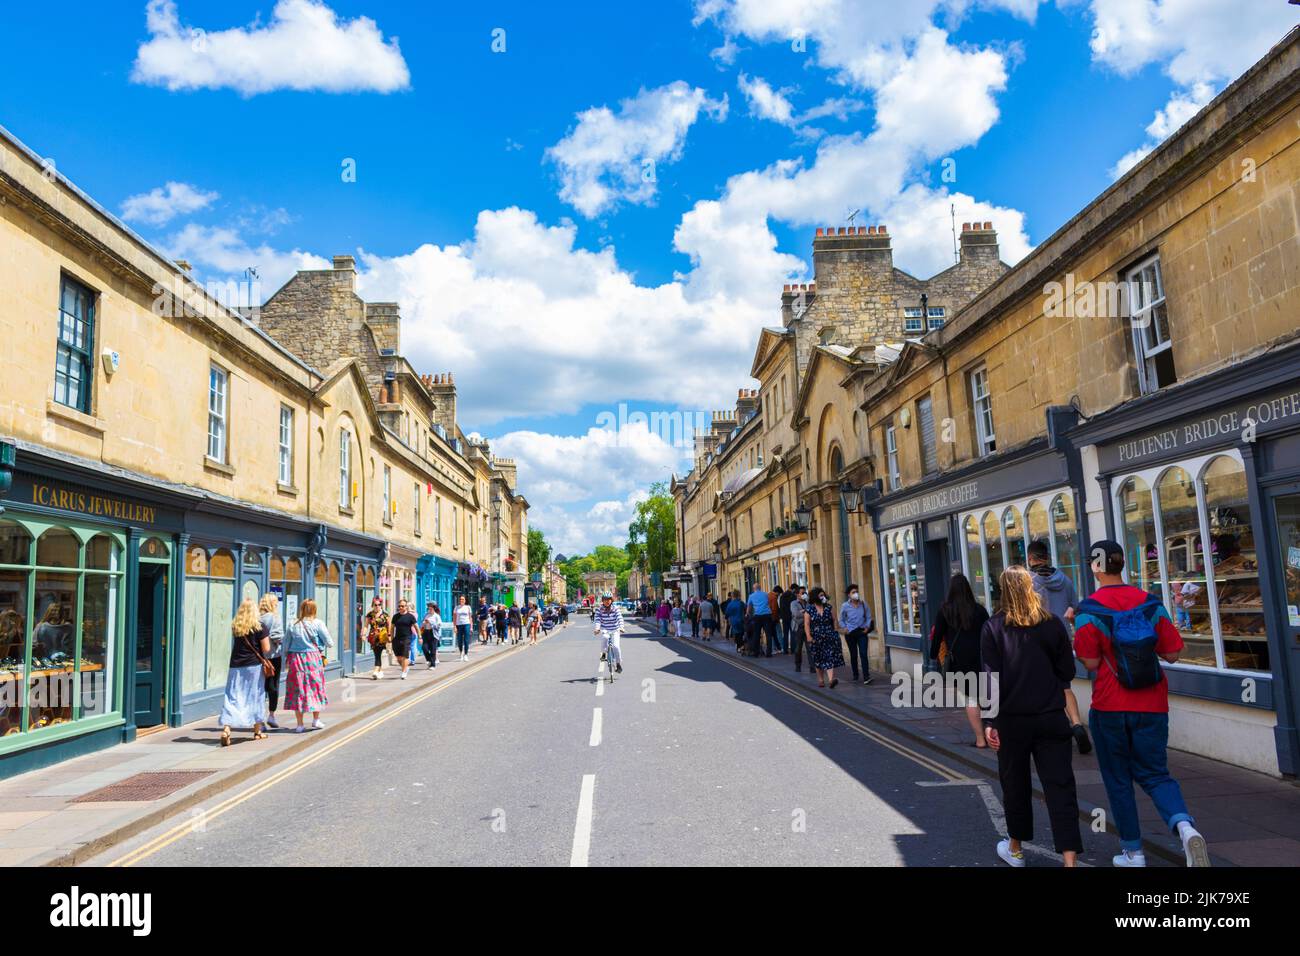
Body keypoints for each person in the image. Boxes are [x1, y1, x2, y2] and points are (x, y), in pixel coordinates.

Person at [1074, 539, 1209, 868]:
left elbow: (1090, 663)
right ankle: (1184, 826)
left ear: (1095, 566)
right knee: (1156, 773)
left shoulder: (1087, 610)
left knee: (1118, 778)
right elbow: (1173, 653)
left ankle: (1133, 852)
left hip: (1109, 706)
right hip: (1152, 704)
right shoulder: (1151, 603)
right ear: (1121, 564)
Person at [981, 566, 1083, 868]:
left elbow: (990, 679)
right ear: (1031, 588)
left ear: (1003, 590)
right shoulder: (1052, 625)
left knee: (1015, 785)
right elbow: (1067, 672)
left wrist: (990, 723)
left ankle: (1015, 850)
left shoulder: (993, 627)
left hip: (1012, 721)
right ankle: (1069, 861)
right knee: (1061, 786)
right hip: (1051, 716)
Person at [1027, 539, 1092, 754]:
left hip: (1036, 640)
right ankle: (1075, 723)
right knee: (1064, 686)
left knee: (1037, 686)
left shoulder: (1028, 581)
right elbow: (1075, 607)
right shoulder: (1064, 579)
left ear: (1030, 558)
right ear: (1047, 556)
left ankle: (1049, 731)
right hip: (1062, 638)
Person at [930, 574, 991, 747]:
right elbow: (989, 632)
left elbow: (937, 636)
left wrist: (933, 655)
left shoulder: (945, 610)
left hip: (959, 661)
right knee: (986, 697)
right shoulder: (979, 609)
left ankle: (980, 739)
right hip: (981, 658)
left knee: (970, 699)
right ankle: (991, 731)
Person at [218, 598, 271, 746]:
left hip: (235, 665)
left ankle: (227, 729)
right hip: (253, 666)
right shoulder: (261, 627)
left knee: (233, 696)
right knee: (255, 695)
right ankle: (257, 732)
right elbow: (266, 649)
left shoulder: (236, 626)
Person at [284, 598, 332, 732]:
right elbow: (330, 642)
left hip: (296, 660)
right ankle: (316, 720)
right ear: (314, 610)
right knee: (315, 688)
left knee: (297, 690)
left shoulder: (292, 624)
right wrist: (320, 645)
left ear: (302, 609)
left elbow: (285, 645)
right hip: (313, 659)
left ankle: (299, 725)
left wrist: (284, 662)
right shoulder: (318, 623)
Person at [804, 587, 843, 688]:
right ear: (815, 597)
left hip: (829, 636)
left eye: (823, 595)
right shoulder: (809, 610)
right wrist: (808, 636)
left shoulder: (829, 608)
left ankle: (831, 680)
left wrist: (835, 630)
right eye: (821, 595)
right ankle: (821, 679)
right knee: (818, 659)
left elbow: (834, 620)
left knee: (829, 657)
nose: (823, 597)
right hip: (815, 638)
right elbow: (807, 624)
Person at [257, 594, 285, 729]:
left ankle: (259, 720)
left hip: (259, 658)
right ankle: (272, 715)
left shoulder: (256, 618)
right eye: (275, 602)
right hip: (273, 657)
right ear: (272, 604)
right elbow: (277, 636)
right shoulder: (275, 618)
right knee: (273, 687)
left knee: (260, 688)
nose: (277, 605)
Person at [838, 584, 874, 684]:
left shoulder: (863, 604)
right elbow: (841, 619)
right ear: (849, 595)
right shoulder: (845, 606)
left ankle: (866, 676)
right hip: (850, 633)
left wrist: (867, 627)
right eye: (853, 592)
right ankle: (855, 674)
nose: (856, 594)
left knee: (863, 653)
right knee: (853, 654)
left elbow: (868, 617)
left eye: (856, 592)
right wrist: (845, 628)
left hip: (862, 632)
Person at [593, 593, 624, 673]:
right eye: (605, 600)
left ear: (611, 600)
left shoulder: (615, 608)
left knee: (616, 646)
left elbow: (619, 618)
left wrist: (621, 627)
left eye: (609, 599)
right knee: (605, 638)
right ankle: (603, 654)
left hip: (615, 629)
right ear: (602, 600)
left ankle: (618, 663)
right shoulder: (599, 609)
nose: (607, 601)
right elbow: (597, 620)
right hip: (605, 629)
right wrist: (597, 629)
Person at [746, 581, 777, 657]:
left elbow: (749, 608)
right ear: (760, 588)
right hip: (767, 615)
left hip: (757, 616)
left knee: (756, 634)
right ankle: (768, 653)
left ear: (754, 589)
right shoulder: (765, 594)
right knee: (768, 634)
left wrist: (748, 615)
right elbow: (768, 603)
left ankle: (756, 652)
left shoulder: (751, 596)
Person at [388, 599, 417, 680]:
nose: (400, 607)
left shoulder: (410, 616)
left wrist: (420, 636)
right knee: (398, 658)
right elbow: (392, 627)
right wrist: (391, 637)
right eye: (399, 606)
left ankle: (404, 672)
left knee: (405, 656)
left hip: (407, 638)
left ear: (406, 607)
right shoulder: (395, 616)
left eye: (402, 606)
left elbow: (416, 627)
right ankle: (405, 668)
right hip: (397, 638)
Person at [364, 598, 390, 680]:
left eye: (379, 604)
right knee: (377, 653)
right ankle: (380, 671)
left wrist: (389, 636)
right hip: (373, 637)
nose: (377, 606)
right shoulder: (370, 615)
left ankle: (375, 671)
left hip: (382, 637)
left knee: (378, 653)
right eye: (375, 605)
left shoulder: (385, 615)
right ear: (373, 605)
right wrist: (363, 634)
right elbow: (366, 626)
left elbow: (389, 626)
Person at [789, 586, 810, 671]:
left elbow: (812, 612)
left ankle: (812, 667)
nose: (804, 594)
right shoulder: (793, 603)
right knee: (798, 648)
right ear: (797, 594)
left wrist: (802, 612)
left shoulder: (808, 603)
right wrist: (806, 613)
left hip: (807, 627)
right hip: (798, 628)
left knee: (810, 648)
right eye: (802, 593)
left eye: (805, 593)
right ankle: (798, 666)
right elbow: (796, 614)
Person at [420, 602, 442, 668]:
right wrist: (423, 623)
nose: (429, 609)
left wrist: (430, 622)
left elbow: (439, 626)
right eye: (429, 607)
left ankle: (432, 665)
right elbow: (422, 624)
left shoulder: (436, 616)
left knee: (433, 649)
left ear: (434, 608)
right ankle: (429, 660)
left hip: (433, 634)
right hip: (426, 632)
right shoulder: (426, 615)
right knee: (424, 648)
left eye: (431, 607)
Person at [452, 596, 473, 662]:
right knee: (459, 640)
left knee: (466, 640)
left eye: (463, 599)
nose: (461, 600)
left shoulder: (468, 607)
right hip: (459, 625)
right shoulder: (456, 608)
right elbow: (454, 618)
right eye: (460, 599)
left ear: (465, 600)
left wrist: (471, 627)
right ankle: (461, 653)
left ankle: (466, 654)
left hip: (466, 624)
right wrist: (454, 626)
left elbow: (470, 618)